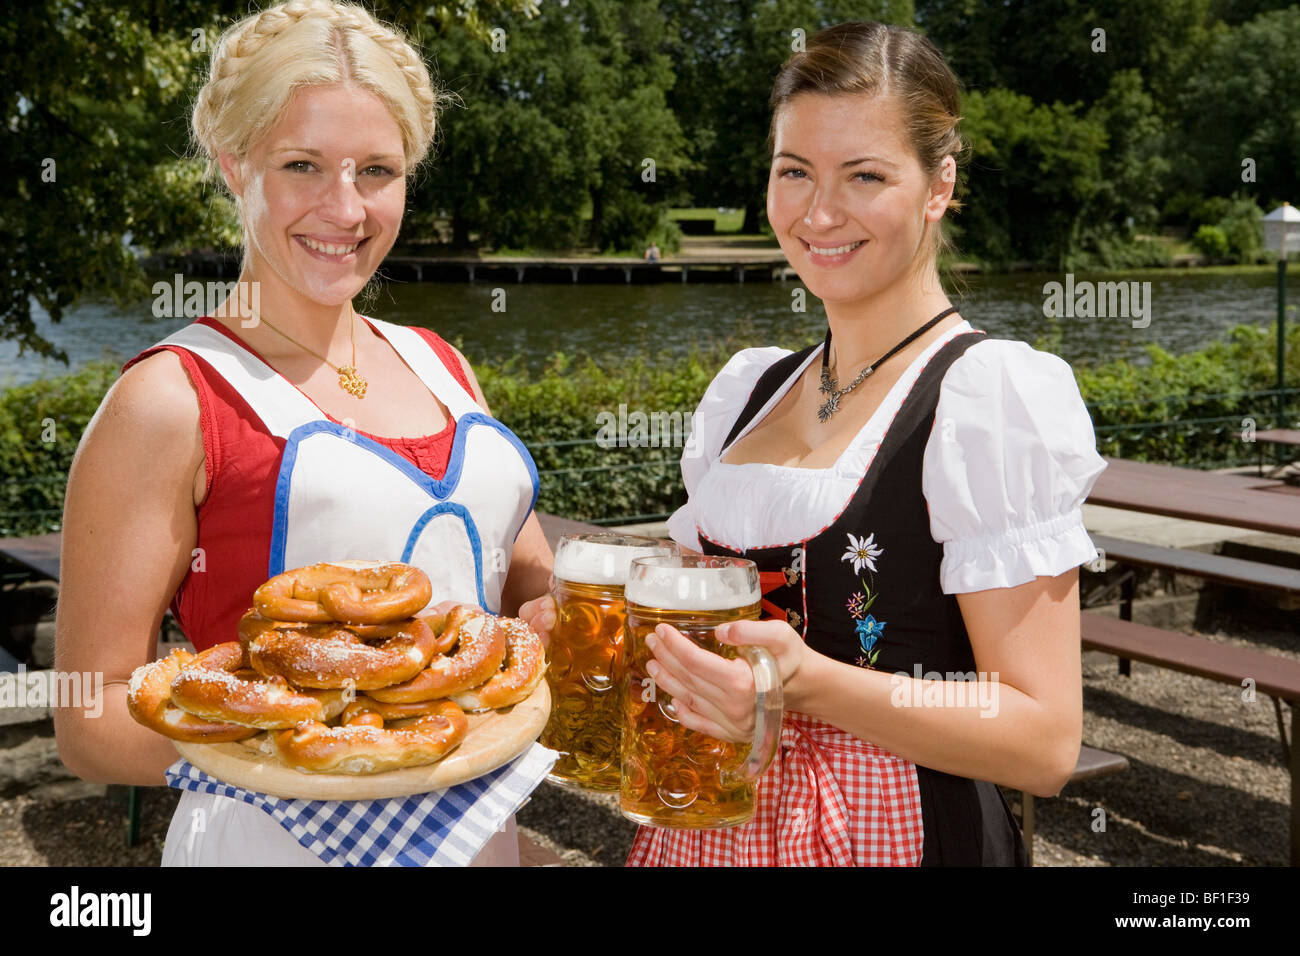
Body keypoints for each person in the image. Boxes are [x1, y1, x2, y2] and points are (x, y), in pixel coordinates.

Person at [52, 0, 552, 866]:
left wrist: (573, 612)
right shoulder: (170, 398)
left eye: (378, 171)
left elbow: (516, 588)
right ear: (233, 163)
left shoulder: (441, 362)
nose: (345, 207)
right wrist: (319, 764)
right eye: (302, 165)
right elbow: (90, 713)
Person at [610, 21, 1106, 865]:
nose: (819, 212)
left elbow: (1045, 741)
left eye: (865, 175)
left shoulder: (987, 399)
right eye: (793, 171)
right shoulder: (748, 390)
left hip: (897, 834)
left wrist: (805, 686)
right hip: (711, 830)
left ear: (938, 185)